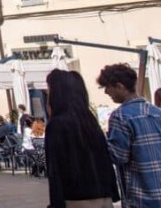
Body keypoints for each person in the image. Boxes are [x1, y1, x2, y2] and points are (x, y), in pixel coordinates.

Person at [43, 69, 118, 208]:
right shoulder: (89, 121)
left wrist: (56, 204)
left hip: (76, 198)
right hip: (103, 196)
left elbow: (55, 169)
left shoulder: (57, 125)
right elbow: (105, 159)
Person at [98, 63, 161, 208]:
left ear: (120, 86)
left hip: (141, 198)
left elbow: (118, 156)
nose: (107, 92)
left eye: (108, 87)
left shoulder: (120, 116)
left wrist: (100, 140)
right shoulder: (157, 112)